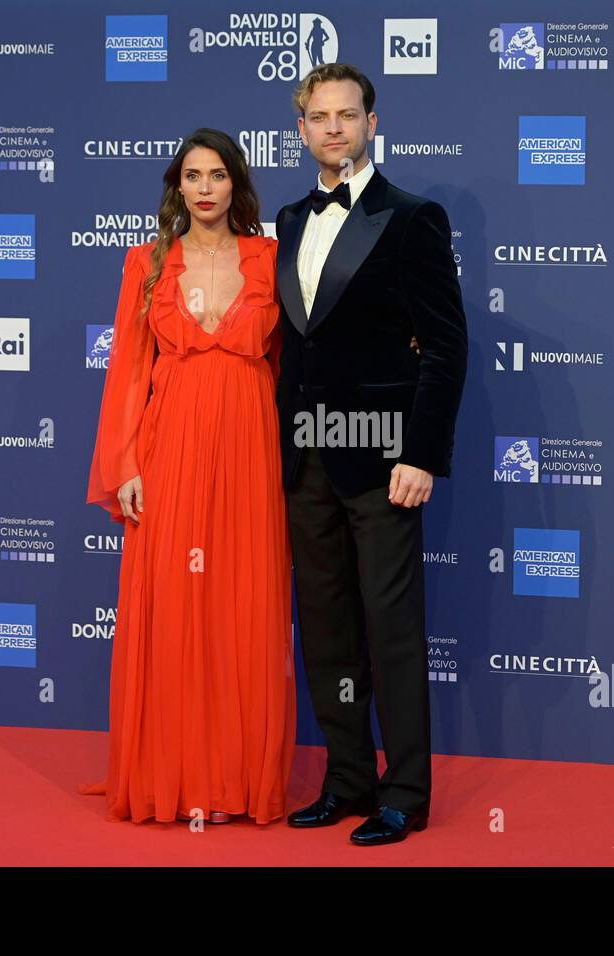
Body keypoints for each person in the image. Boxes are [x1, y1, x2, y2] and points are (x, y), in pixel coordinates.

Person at [275, 64, 468, 845]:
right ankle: (347, 779)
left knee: (391, 630)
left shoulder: (413, 217)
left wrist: (420, 453)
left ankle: (404, 794)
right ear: (302, 131)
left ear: (371, 123)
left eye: (346, 115)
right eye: (319, 117)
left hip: (385, 460)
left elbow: (446, 347)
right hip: (305, 462)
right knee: (324, 629)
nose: (333, 128)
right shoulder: (289, 219)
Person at [80, 128, 295, 826]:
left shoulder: (270, 258)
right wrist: (126, 463)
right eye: (192, 175)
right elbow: (128, 373)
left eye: (218, 174)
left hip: (249, 450)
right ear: (177, 186)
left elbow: (302, 363)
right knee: (173, 606)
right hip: (169, 449)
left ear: (238, 184)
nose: (205, 187)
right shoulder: (145, 263)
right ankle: (171, 775)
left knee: (240, 605)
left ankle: (235, 780)